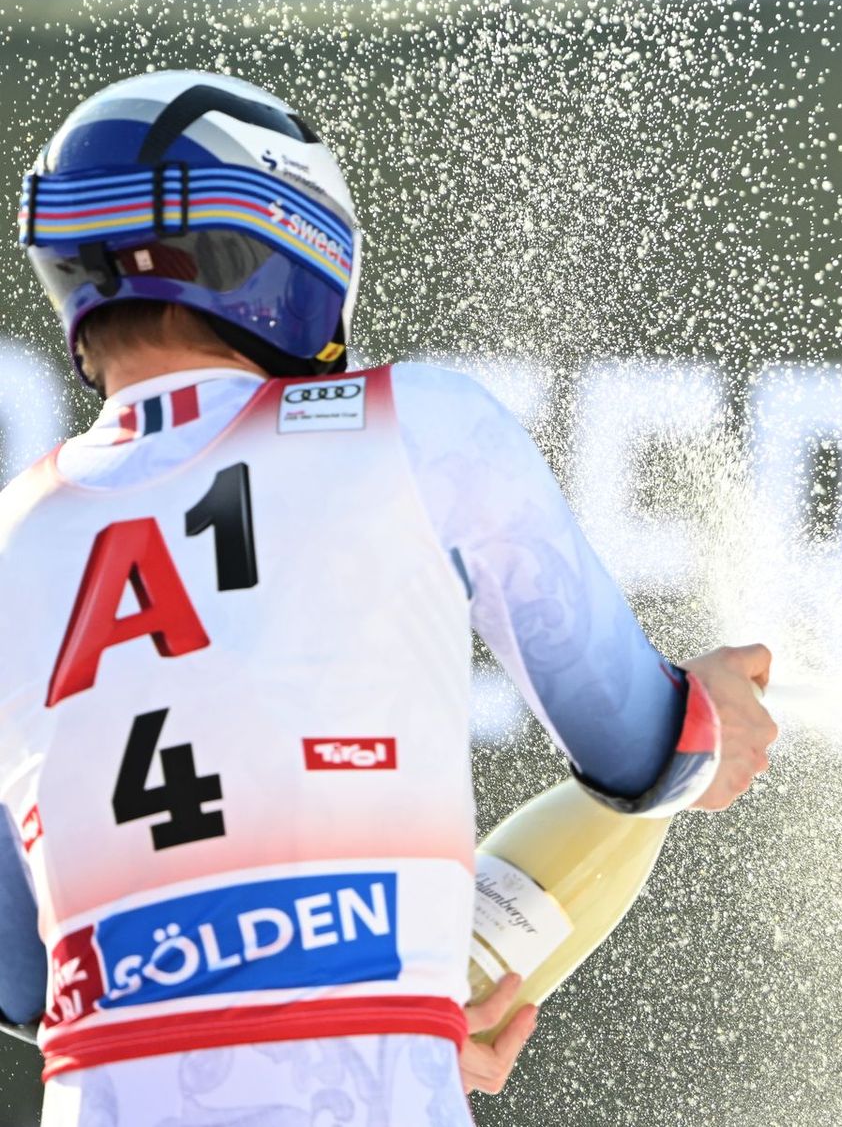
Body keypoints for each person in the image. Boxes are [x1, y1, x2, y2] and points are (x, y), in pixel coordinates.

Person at [0, 70, 780, 1123]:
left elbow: (24, 977)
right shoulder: (415, 422)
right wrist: (709, 716)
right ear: (288, 236)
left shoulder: (12, 532)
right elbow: (641, 747)